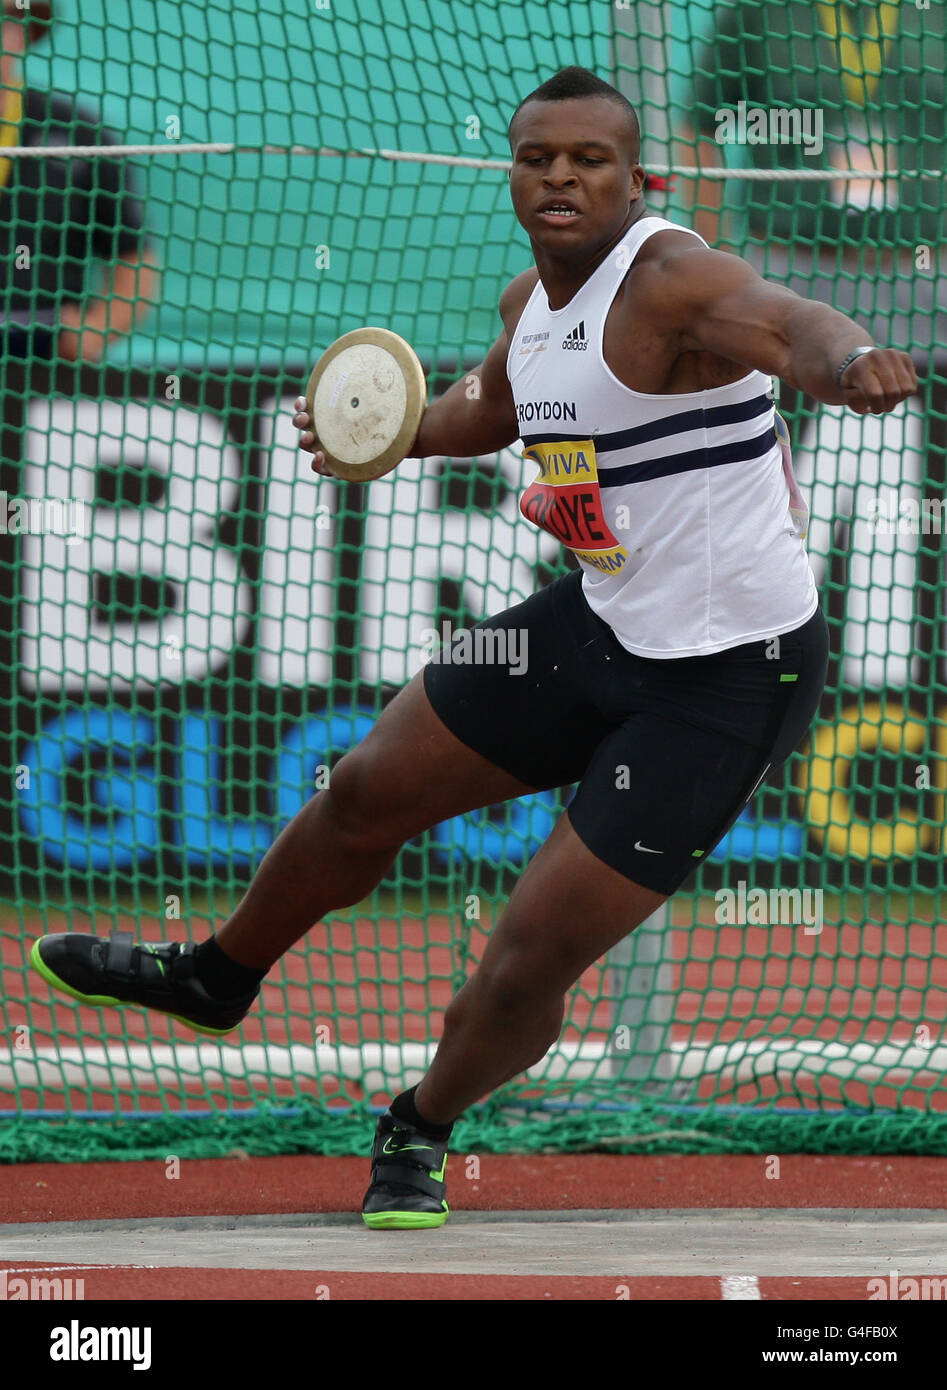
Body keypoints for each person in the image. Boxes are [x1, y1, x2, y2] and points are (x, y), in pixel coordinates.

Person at [32, 67, 916, 1229]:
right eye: (536, 157)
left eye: (587, 159)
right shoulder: (528, 307)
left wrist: (849, 364)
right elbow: (493, 411)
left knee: (520, 958)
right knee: (359, 793)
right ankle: (216, 975)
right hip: (597, 623)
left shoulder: (671, 279)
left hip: (727, 676)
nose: (559, 176)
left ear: (634, 176)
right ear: (510, 173)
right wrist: (379, 433)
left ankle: (419, 1124)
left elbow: (790, 321)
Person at [0, 0, 158, 363]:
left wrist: (96, 331)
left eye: (7, 19)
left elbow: (132, 254)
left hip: (41, 360)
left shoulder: (76, 131)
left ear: (25, 33)